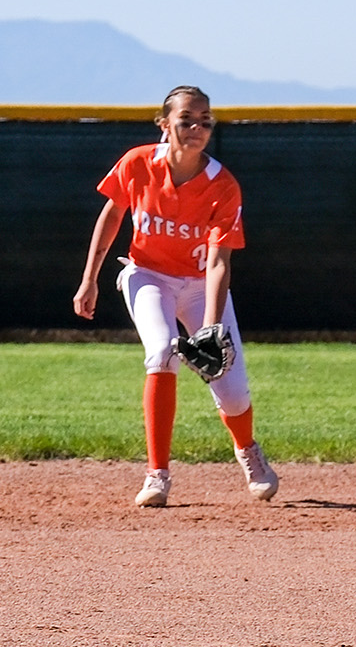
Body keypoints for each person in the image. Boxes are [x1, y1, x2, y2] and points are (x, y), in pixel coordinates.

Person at [72, 85, 280, 508]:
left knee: (232, 389)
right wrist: (89, 278)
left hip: (200, 284)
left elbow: (219, 263)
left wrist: (211, 324)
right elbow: (113, 215)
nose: (196, 128)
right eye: (186, 119)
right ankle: (157, 474)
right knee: (163, 351)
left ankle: (248, 451)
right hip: (147, 274)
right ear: (165, 124)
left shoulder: (222, 185)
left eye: (205, 121)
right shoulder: (138, 163)